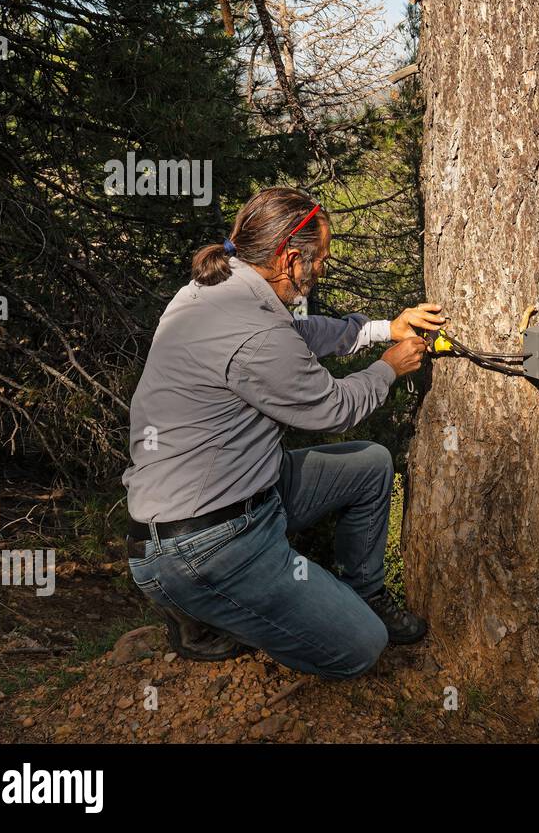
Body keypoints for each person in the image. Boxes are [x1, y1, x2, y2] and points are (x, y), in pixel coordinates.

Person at [122, 186, 442, 678]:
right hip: (205, 542)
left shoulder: (217, 290)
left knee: (370, 465)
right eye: (322, 261)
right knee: (360, 648)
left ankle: (363, 592)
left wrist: (382, 329)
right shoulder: (254, 331)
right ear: (291, 259)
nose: (322, 271)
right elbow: (334, 408)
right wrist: (389, 368)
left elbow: (299, 337)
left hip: (234, 500)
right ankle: (208, 610)